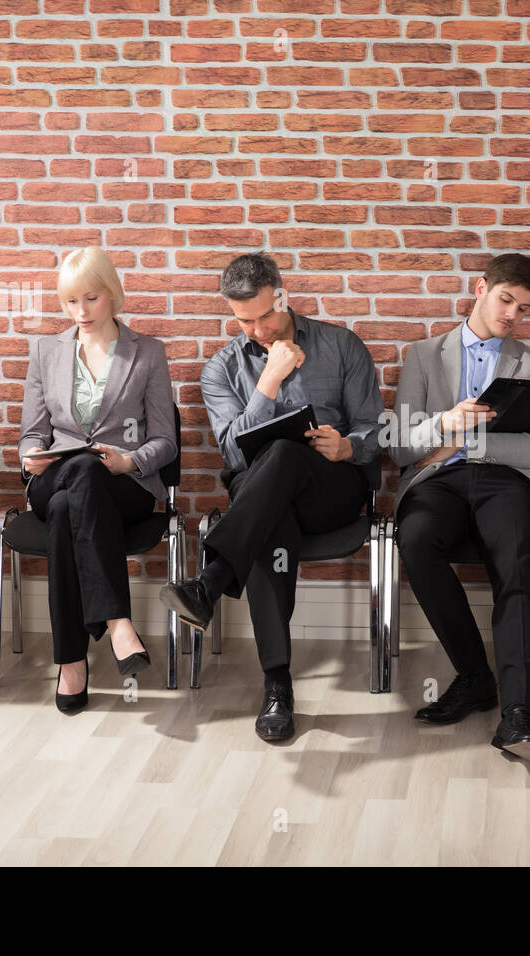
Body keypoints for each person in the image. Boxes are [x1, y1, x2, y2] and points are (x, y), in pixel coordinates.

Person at [160, 252, 382, 742]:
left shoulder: (341, 345)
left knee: (282, 459)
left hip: (332, 487)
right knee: (269, 502)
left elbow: (375, 429)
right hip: (261, 496)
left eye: (265, 315)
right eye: (244, 320)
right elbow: (234, 454)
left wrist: (347, 445)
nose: (258, 330)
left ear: (283, 294)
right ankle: (278, 687)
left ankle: (211, 582)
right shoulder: (219, 369)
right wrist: (270, 380)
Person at [390, 253, 530, 762]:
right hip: (437, 482)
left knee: (516, 560)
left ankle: (520, 716)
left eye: (524, 309)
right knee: (416, 540)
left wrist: (469, 441)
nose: (512, 316)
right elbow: (399, 446)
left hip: (507, 481)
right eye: (506, 300)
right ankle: (475, 677)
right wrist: (444, 424)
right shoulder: (422, 355)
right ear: (480, 288)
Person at [18, 247, 177, 714]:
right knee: (81, 469)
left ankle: (71, 663)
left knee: (73, 504)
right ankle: (118, 621)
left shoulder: (147, 353)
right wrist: (30, 456)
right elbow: (32, 433)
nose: (81, 312)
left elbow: (165, 440)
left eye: (91, 298)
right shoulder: (47, 351)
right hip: (57, 476)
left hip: (122, 484)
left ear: (113, 294)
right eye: (71, 302)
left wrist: (130, 462)